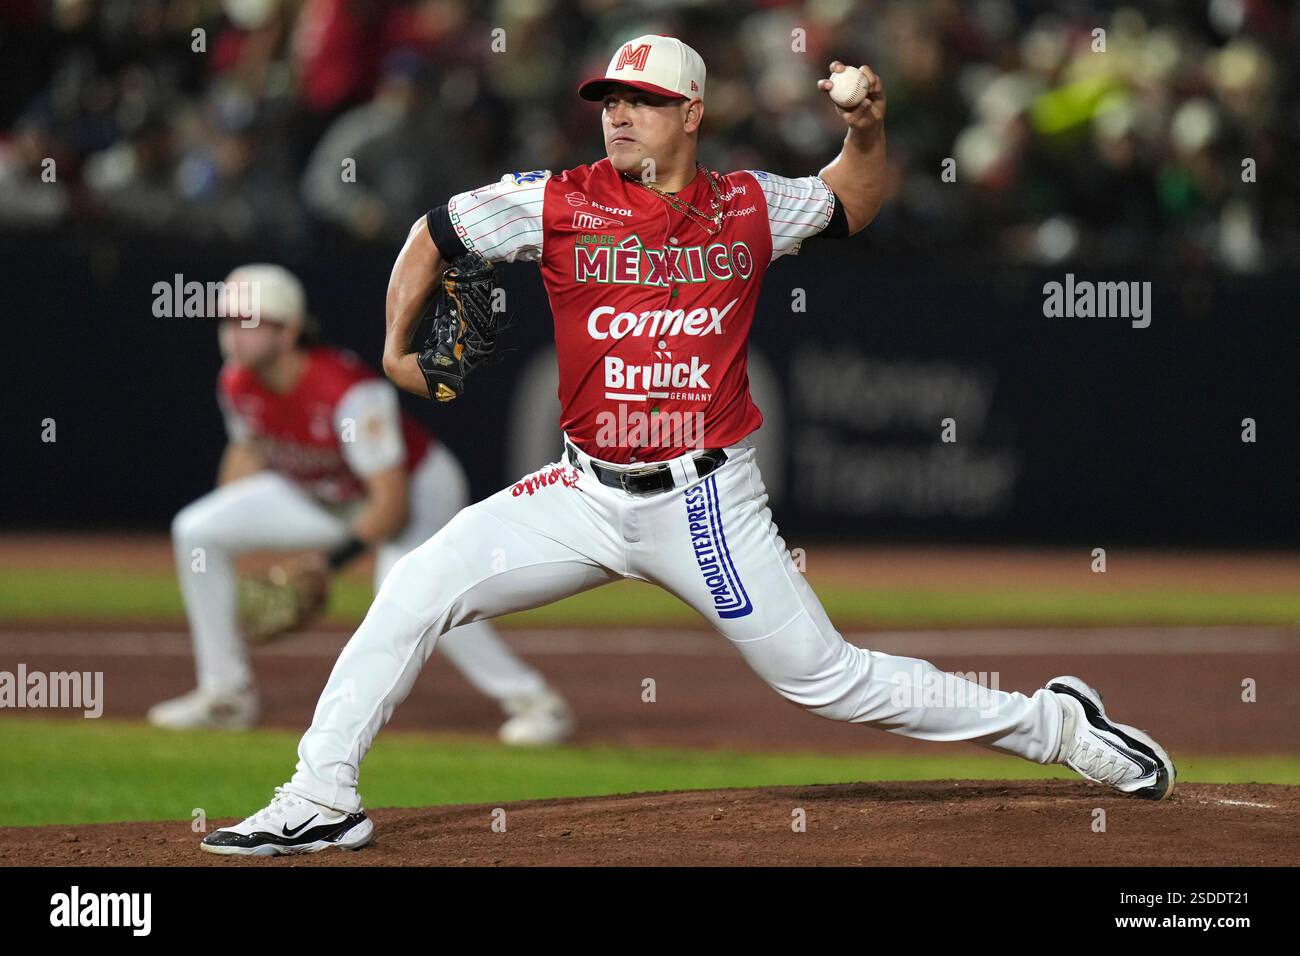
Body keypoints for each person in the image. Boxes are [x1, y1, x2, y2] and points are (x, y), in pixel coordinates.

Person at [202, 38, 1173, 856]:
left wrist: (866, 126)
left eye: (645, 101)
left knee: (825, 679)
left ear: (693, 112)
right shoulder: (555, 201)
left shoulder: (748, 205)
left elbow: (855, 198)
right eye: (611, 99)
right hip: (580, 493)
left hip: (703, 500)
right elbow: (435, 230)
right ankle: (322, 794)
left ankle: (1058, 725)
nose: (619, 115)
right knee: (412, 583)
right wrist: (394, 347)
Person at [150, 263, 575, 747]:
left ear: (288, 331)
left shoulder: (348, 393)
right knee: (198, 529)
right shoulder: (236, 382)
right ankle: (226, 696)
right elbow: (248, 451)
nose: (232, 334)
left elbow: (390, 503)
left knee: (417, 588)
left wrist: (325, 565)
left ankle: (536, 703)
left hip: (417, 491)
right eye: (227, 321)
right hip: (327, 494)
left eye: (248, 321)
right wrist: (244, 534)